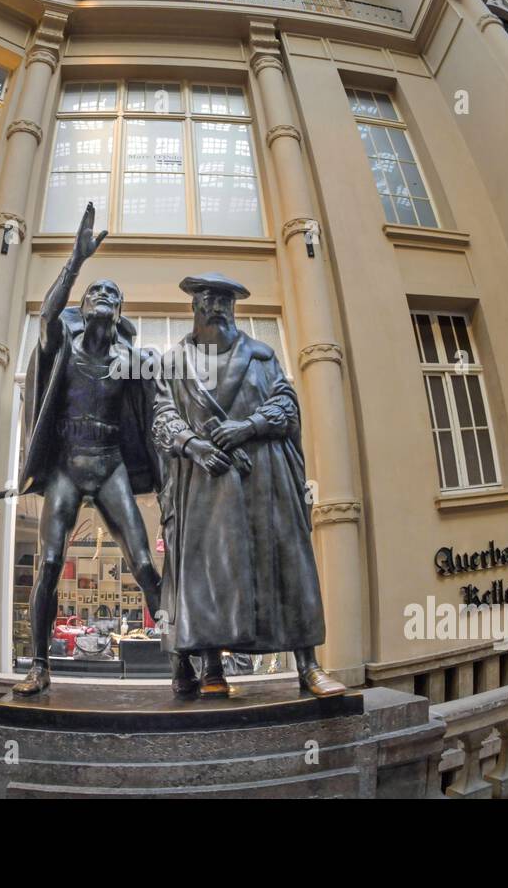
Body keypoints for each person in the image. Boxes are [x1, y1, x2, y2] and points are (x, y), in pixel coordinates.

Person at [152, 273, 346, 698]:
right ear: (194, 306)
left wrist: (247, 426)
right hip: (206, 480)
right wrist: (197, 447)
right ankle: (212, 668)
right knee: (206, 572)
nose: (217, 306)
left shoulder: (261, 355)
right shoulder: (173, 363)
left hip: (265, 477)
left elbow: (286, 404)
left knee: (287, 566)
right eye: (208, 298)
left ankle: (308, 666)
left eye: (225, 299)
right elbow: (162, 419)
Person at [13, 203, 162, 695]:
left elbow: (161, 409)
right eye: (95, 290)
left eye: (111, 293)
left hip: (111, 463)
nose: (102, 295)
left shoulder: (131, 358)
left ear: (119, 311)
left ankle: (185, 661)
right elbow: (47, 313)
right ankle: (39, 664)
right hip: (67, 465)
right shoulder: (64, 343)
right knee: (51, 563)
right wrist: (75, 262)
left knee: (143, 564)